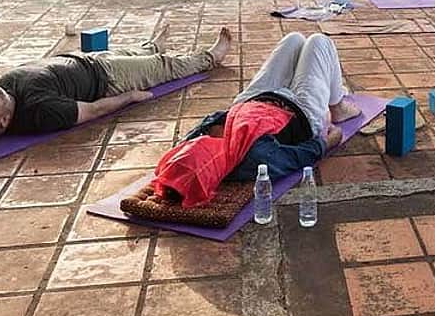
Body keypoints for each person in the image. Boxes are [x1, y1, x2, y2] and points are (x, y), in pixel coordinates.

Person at [151, 31, 361, 205]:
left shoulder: (203, 138)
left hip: (251, 102)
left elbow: (200, 132)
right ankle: (337, 107)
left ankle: (299, 85)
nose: (198, 141)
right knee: (319, 42)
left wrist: (216, 128)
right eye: (200, 148)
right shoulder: (254, 158)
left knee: (294, 40)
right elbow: (300, 156)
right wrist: (329, 140)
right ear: (210, 159)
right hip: (300, 111)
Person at [0, 23, 229, 144]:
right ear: (4, 121)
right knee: (164, 66)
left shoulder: (1, 93)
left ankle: (151, 46)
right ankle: (209, 58)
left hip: (87, 60)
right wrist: (129, 97)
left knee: (133, 52)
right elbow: (92, 111)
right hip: (108, 79)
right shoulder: (41, 112)